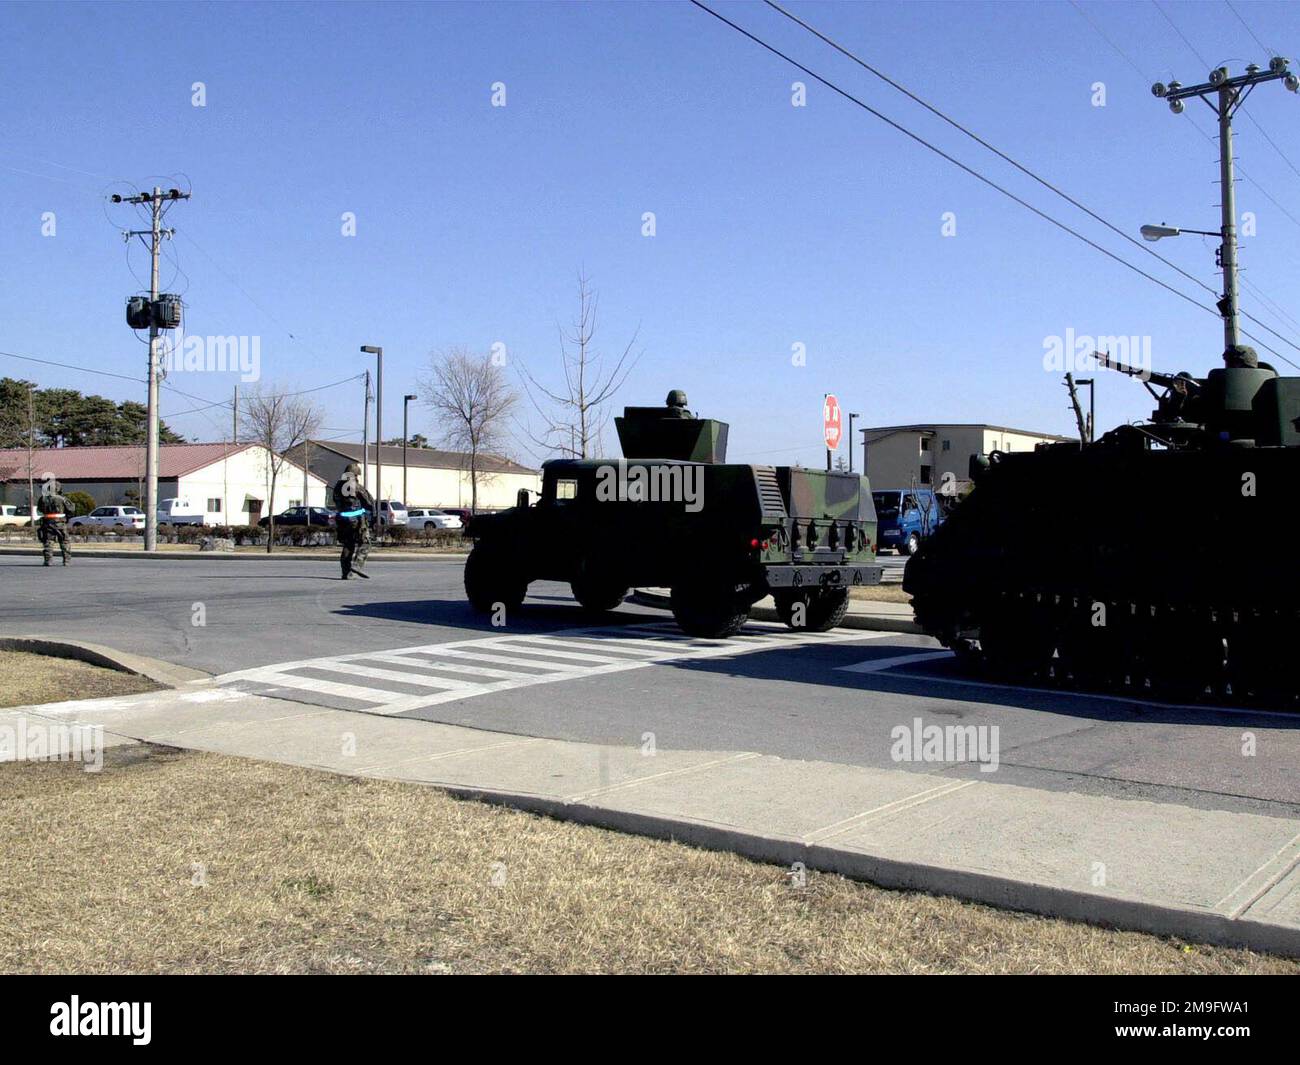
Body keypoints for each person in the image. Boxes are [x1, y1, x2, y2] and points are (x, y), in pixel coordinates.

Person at [332, 462, 375, 579]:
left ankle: (345, 572)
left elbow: (335, 501)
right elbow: (369, 502)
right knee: (366, 543)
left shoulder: (337, 486)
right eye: (357, 475)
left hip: (342, 519)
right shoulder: (355, 486)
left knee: (348, 545)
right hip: (356, 519)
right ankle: (356, 566)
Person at [36, 481, 73, 567]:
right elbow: (71, 509)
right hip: (60, 523)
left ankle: (48, 561)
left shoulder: (43, 499)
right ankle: (66, 561)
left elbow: (40, 509)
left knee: (48, 542)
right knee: (64, 541)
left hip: (47, 523)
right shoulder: (62, 499)